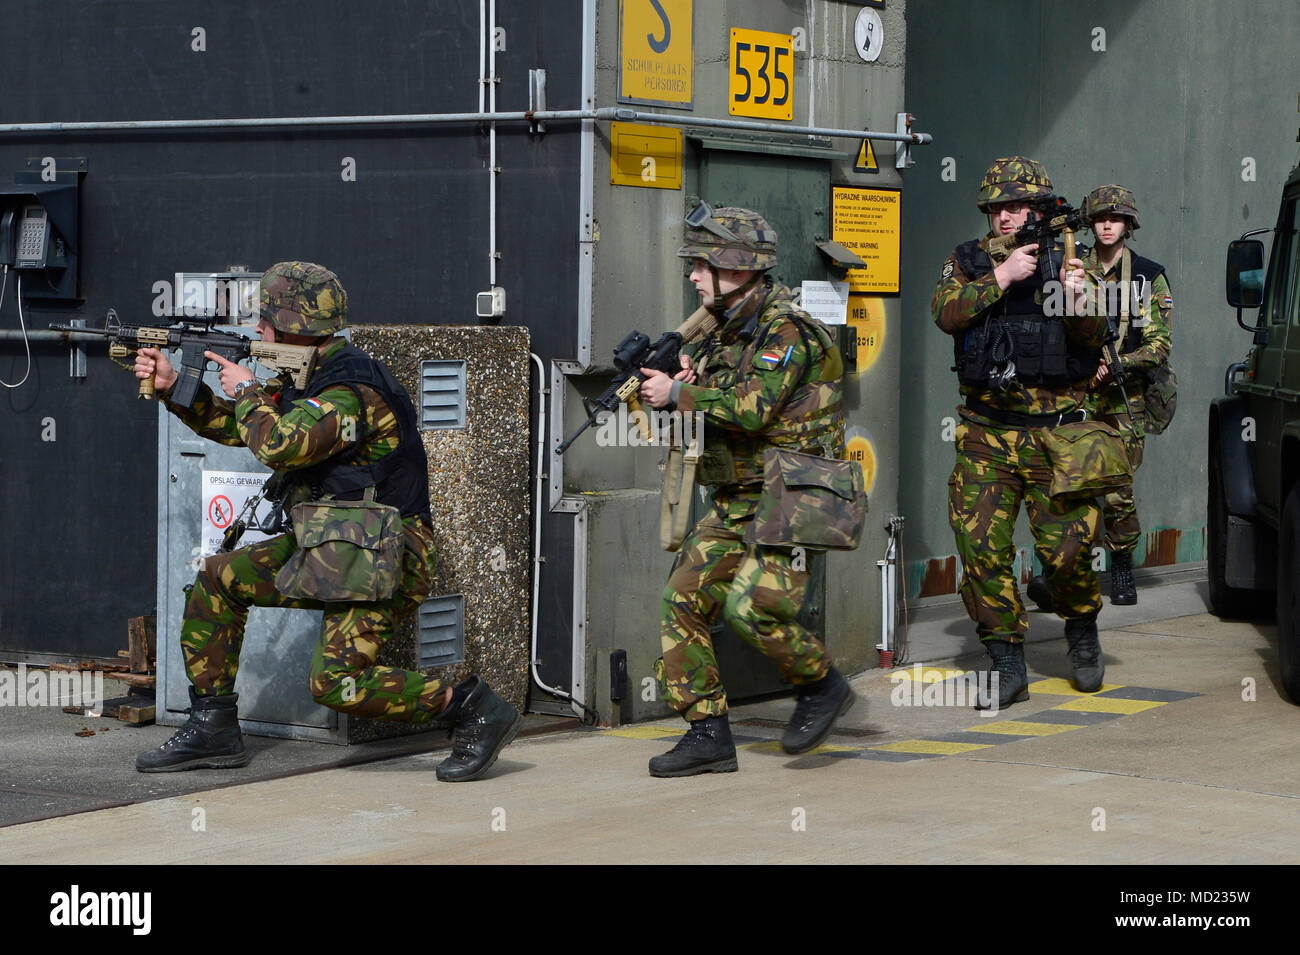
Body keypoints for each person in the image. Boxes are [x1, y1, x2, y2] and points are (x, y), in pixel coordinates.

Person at [133, 261, 521, 781]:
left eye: (265, 322)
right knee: (216, 579)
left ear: (294, 327)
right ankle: (213, 726)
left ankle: (470, 706)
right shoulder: (307, 375)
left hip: (385, 554)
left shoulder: (348, 391)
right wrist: (176, 385)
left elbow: (279, 442)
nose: (256, 331)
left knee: (336, 684)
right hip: (332, 543)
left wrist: (246, 388)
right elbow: (240, 429)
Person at [637, 203, 854, 777]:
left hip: (794, 498)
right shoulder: (720, 332)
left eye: (700, 265)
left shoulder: (787, 330)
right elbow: (715, 411)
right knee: (680, 598)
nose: (692, 276)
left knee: (750, 609)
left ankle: (822, 684)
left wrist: (681, 396)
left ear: (734, 267)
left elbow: (753, 411)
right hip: (738, 498)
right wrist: (682, 387)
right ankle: (708, 733)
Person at [932, 158, 1110, 709]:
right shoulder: (968, 260)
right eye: (999, 207)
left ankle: (1081, 626)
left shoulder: (1071, 258)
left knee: (1066, 554)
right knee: (982, 550)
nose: (1008, 215)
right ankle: (1006, 658)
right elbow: (945, 312)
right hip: (987, 433)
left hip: (1057, 436)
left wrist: (1078, 299)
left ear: (1037, 209)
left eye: (1018, 206)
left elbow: (1097, 331)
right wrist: (1001, 277)